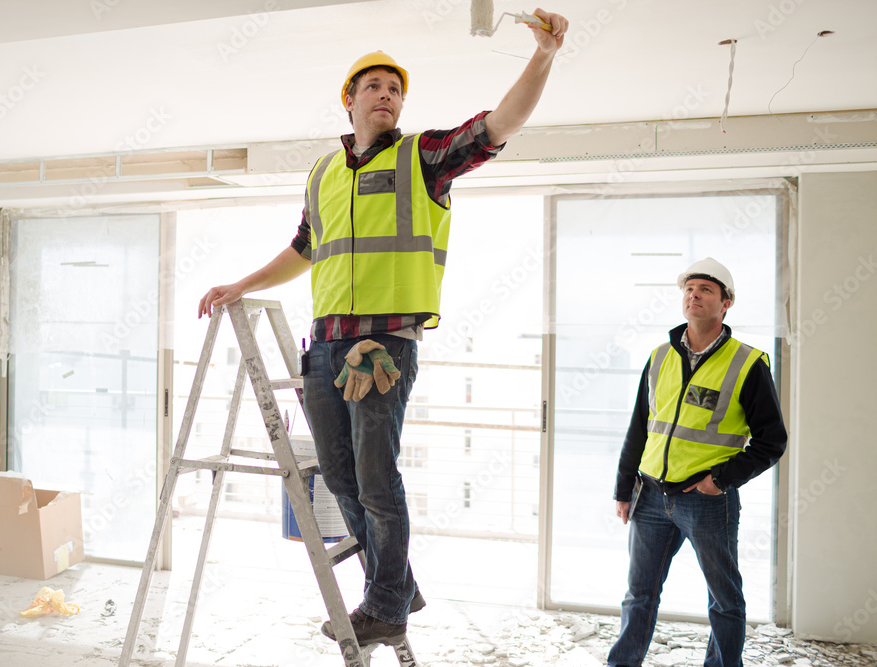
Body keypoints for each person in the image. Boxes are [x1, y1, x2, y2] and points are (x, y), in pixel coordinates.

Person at [198, 9, 568, 647]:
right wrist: (242, 285)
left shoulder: (420, 157)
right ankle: (399, 585)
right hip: (325, 345)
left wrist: (542, 56)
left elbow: (497, 127)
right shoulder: (323, 173)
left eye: (394, 89)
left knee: (375, 477)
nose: (386, 96)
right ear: (349, 100)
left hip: (382, 347)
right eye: (373, 87)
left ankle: (388, 605)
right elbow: (305, 249)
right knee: (338, 477)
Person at [608, 258, 788, 667]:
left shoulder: (748, 363)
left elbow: (771, 441)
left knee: (725, 600)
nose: (695, 295)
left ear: (726, 304)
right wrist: (624, 489)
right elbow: (639, 428)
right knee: (639, 594)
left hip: (707, 501)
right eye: (689, 289)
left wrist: (719, 481)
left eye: (706, 289)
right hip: (650, 497)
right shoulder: (658, 357)